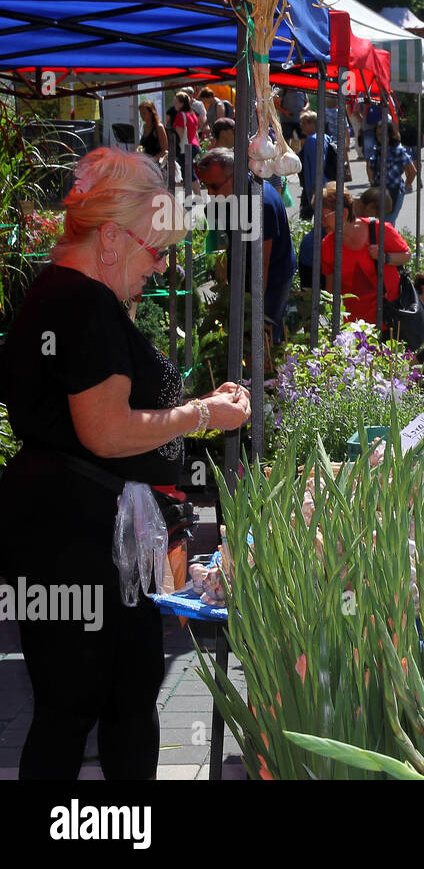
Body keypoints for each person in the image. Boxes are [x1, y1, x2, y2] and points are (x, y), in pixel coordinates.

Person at [0, 148, 251, 779]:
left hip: (77, 531)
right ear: (110, 238)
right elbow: (108, 431)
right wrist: (202, 416)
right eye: (156, 251)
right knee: (78, 706)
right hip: (77, 536)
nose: (160, 268)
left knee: (116, 698)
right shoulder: (81, 304)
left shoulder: (68, 295)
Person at [196, 147, 296, 344]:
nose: (209, 192)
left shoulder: (262, 203)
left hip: (273, 273)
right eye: (204, 185)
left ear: (236, 176)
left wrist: (253, 309)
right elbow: (228, 242)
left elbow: (263, 265)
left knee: (263, 332)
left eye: (214, 186)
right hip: (246, 263)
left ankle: (267, 365)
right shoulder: (226, 197)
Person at [318, 182, 411, 325]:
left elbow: (406, 255)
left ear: (343, 213)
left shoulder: (379, 229)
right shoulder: (327, 245)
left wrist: (385, 257)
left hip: (387, 318)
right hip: (352, 326)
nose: (320, 222)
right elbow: (330, 288)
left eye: (324, 216)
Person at [365, 122, 417, 222]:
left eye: (383, 134)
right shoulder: (376, 150)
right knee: (378, 225)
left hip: (394, 192)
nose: (381, 137)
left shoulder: (398, 151)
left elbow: (412, 171)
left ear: (390, 134)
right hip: (378, 192)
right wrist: (372, 182)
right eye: (378, 135)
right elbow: (370, 167)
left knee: (387, 224)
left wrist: (406, 186)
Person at [136, 100, 168, 172]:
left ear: (151, 113)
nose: (142, 115)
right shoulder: (145, 126)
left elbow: (165, 150)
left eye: (144, 113)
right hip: (146, 165)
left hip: (158, 165)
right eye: (140, 113)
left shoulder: (158, 127)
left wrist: (152, 160)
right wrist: (138, 150)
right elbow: (143, 145)